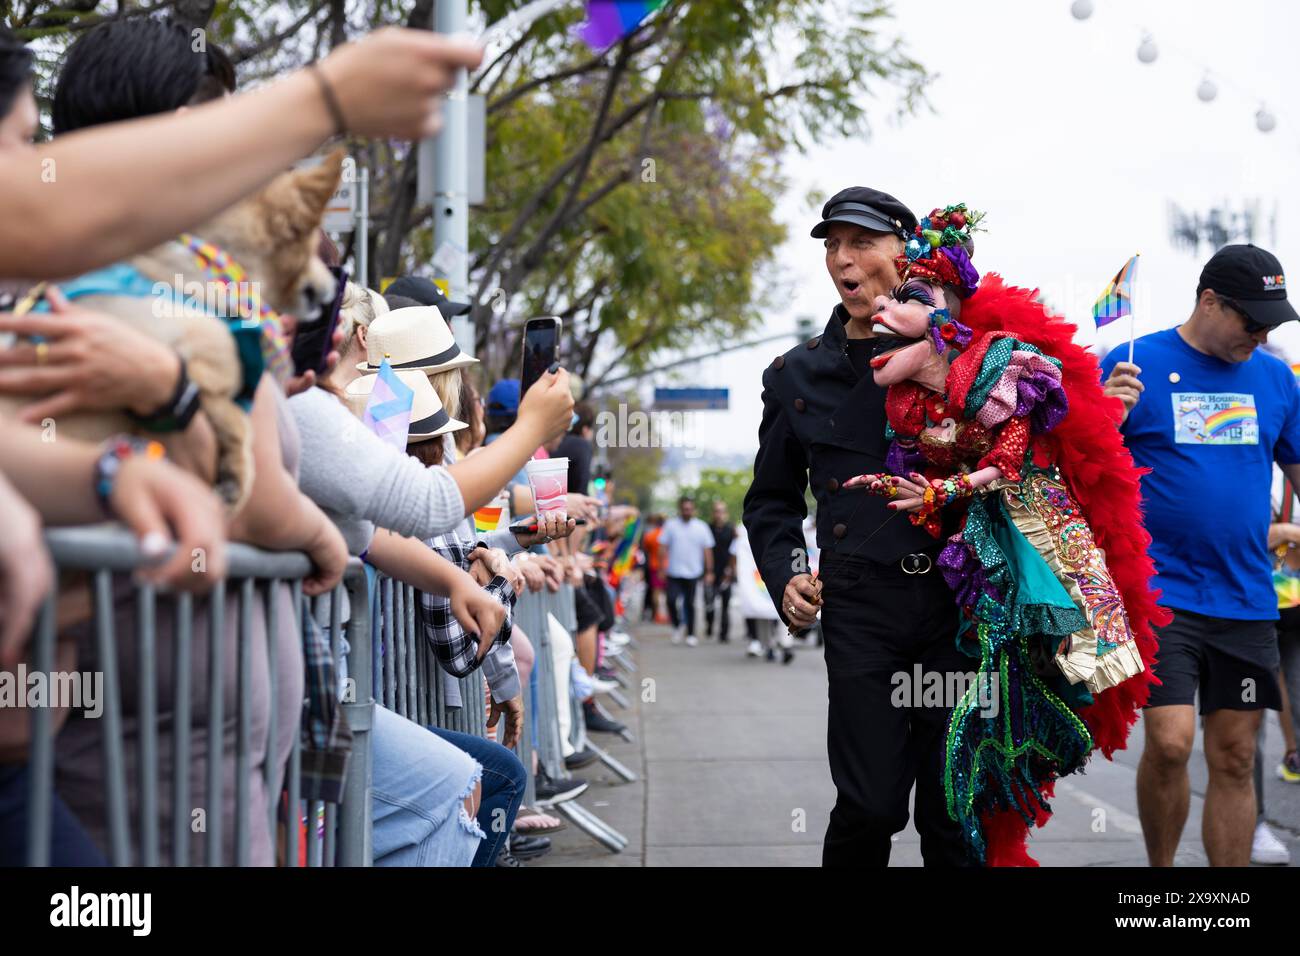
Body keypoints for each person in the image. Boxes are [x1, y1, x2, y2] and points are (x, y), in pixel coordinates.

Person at [742, 187, 972, 866]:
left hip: (955, 608)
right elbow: (771, 501)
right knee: (870, 806)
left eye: (861, 242)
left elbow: (1032, 449)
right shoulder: (794, 374)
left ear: (907, 254)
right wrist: (786, 577)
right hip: (860, 608)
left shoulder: (967, 356)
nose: (843, 258)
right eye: (832, 245)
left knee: (953, 809)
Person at [1101, 243, 1300, 867]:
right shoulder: (1135, 363)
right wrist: (1107, 417)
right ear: (1209, 302)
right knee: (1169, 741)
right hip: (1162, 597)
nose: (1261, 333)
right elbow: (1079, 473)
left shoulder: (1274, 378)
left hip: (1245, 600)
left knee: (1237, 755)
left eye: (1271, 322)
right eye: (1252, 320)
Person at [659, 495, 714, 647]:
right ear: (680, 509)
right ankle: (677, 626)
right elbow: (663, 547)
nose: (687, 511)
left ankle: (690, 633)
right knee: (671, 600)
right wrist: (661, 567)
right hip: (674, 571)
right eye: (684, 509)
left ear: (693, 509)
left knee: (690, 603)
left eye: (689, 509)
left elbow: (707, 550)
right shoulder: (671, 525)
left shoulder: (701, 527)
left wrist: (709, 571)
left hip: (693, 572)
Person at [703, 500, 736, 642]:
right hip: (710, 572)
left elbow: (735, 552)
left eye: (722, 511)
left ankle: (724, 633)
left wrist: (731, 571)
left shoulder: (731, 530)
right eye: (716, 511)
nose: (719, 514)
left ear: (726, 513)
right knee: (709, 603)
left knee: (725, 604)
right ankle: (709, 624)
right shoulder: (707, 529)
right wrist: (707, 571)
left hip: (726, 572)